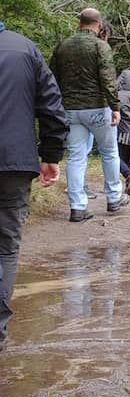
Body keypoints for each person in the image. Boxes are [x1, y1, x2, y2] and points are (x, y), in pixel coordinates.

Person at [0, 23, 69, 351]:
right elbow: (52, 106)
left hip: (15, 162)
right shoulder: (24, 49)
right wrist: (51, 154)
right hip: (13, 163)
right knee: (7, 245)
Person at [50, 7, 127, 221]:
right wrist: (116, 107)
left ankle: (77, 207)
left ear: (79, 22)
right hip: (97, 108)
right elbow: (108, 80)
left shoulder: (62, 46)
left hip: (70, 110)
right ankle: (113, 198)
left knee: (75, 156)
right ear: (98, 24)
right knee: (110, 152)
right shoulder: (100, 46)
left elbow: (52, 80)